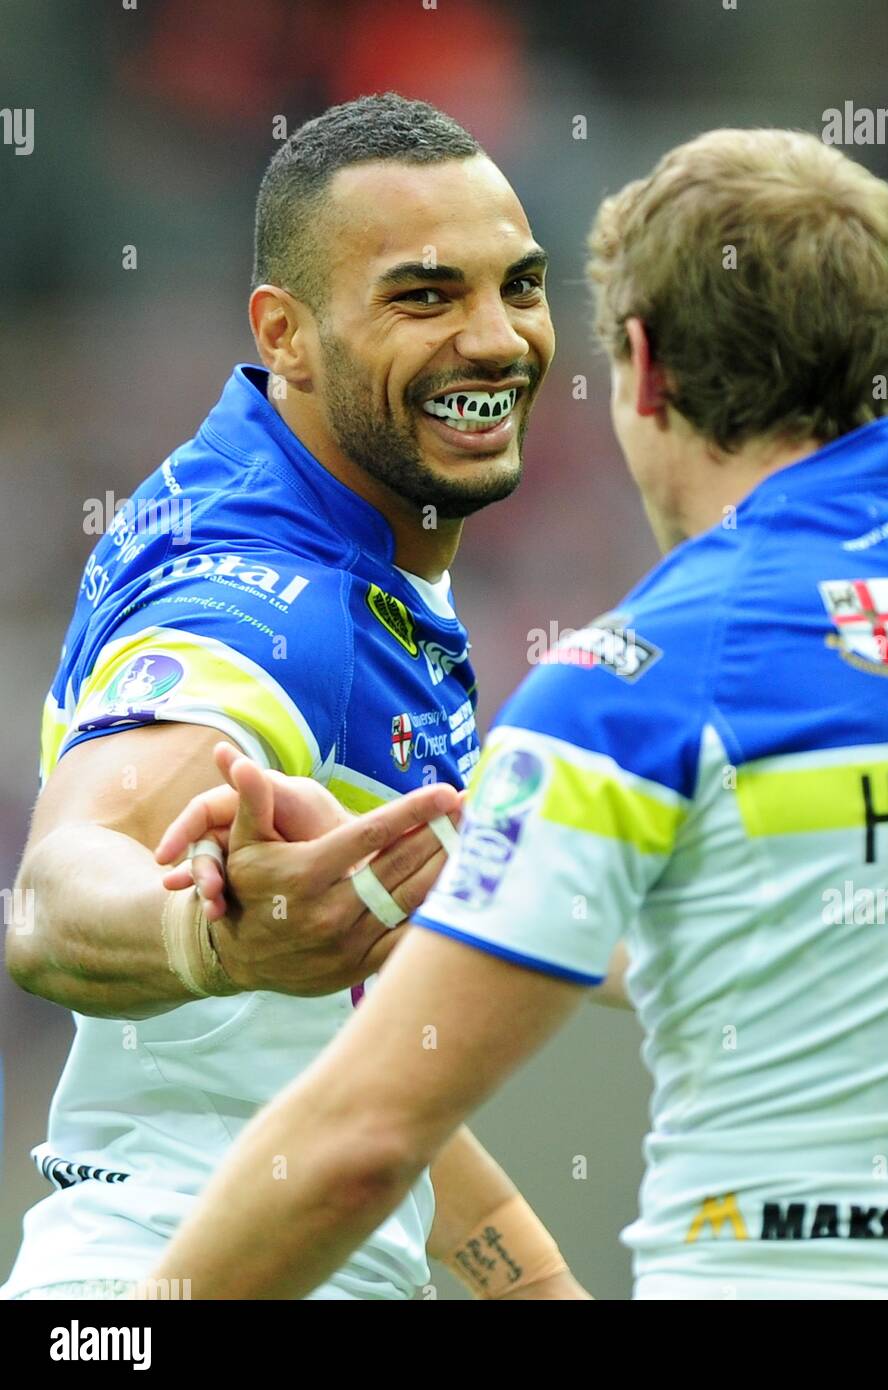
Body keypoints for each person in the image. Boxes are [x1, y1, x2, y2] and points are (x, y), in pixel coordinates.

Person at [148, 129, 888, 1300]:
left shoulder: (639, 679)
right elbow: (821, 936)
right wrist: (449, 876)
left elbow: (357, 1143)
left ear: (643, 366)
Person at [2, 92, 590, 1301]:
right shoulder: (272, 605)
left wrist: (533, 1286)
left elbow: (339, 1071)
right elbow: (58, 892)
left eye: (518, 287)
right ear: (289, 333)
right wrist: (204, 933)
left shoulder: (322, 525)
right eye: (425, 296)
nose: (496, 339)